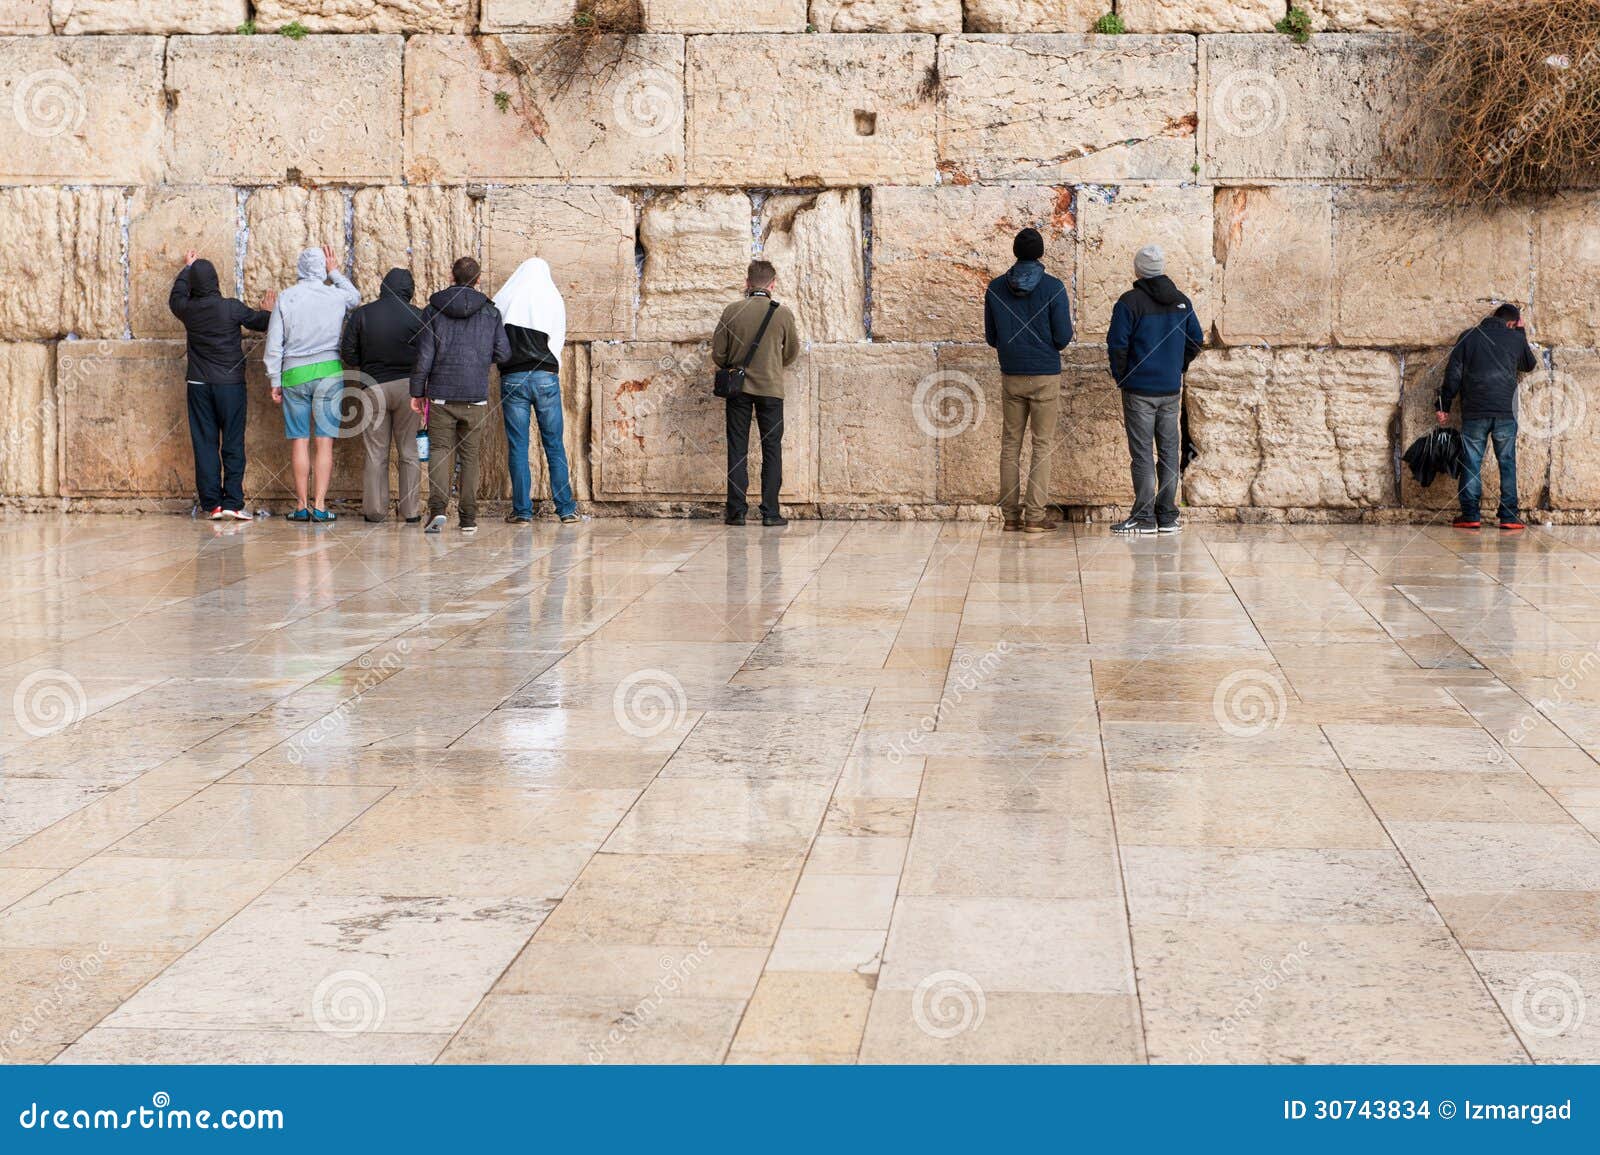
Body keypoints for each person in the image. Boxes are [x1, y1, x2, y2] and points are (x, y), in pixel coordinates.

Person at [1106, 244, 1204, 535]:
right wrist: (1178, 366)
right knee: (1169, 451)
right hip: (1170, 388)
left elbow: (1117, 345)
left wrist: (1123, 377)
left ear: (1138, 271)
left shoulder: (1129, 302)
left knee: (1143, 454)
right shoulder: (1182, 302)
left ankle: (1144, 517)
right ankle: (1167, 515)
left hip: (1139, 389)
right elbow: (1196, 340)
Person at [169, 252, 274, 521]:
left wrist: (187, 269)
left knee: (204, 443)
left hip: (198, 384)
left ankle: (212, 504)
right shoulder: (231, 307)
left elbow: (176, 296)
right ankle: (233, 502)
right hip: (230, 386)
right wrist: (268, 311)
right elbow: (261, 323)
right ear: (216, 281)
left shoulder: (187, 309)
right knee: (232, 442)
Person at [410, 256, 510, 535]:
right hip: (475, 396)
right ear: (478, 279)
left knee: (440, 452)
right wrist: (478, 358)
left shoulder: (433, 310)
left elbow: (424, 356)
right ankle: (468, 519)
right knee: (471, 456)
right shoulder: (491, 313)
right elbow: (504, 353)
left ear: (451, 276)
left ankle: (438, 511)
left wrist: (417, 392)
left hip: (441, 396)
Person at [984, 227, 1074, 533]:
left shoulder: (995, 288)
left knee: (1010, 443)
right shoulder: (1054, 287)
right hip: (1045, 373)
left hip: (1011, 372)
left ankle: (1010, 515)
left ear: (1014, 251)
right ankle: (1035, 515)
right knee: (1042, 444)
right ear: (1040, 253)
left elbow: (991, 337)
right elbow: (1063, 337)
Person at [265, 245, 360, 523]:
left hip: (293, 374)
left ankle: (301, 504)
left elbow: (274, 343)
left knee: (299, 440)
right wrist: (335, 272)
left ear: (299, 269)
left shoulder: (286, 297)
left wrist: (275, 378)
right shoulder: (335, 295)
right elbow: (355, 297)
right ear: (321, 269)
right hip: (329, 372)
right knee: (324, 442)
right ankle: (320, 506)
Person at [1436, 303, 1538, 531]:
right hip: (1505, 412)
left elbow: (1453, 374)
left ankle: (1471, 515)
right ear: (1512, 323)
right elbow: (1528, 365)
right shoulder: (1515, 338)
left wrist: (1443, 404)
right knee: (1507, 463)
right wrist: (1520, 333)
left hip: (1475, 411)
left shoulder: (1468, 337)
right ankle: (1509, 517)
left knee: (1472, 461)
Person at [712, 259, 799, 527]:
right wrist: (772, 365)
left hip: (738, 390)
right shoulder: (782, 313)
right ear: (772, 284)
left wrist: (734, 365)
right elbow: (791, 352)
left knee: (737, 448)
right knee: (771, 448)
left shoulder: (731, 311)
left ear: (747, 284)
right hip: (771, 390)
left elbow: (718, 354)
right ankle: (771, 512)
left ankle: (737, 511)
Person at [493, 258, 579, 525]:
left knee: (518, 446)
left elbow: (495, 340)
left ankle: (522, 511)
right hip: (545, 377)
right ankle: (565, 509)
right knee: (554, 444)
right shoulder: (551, 297)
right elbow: (557, 340)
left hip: (512, 378)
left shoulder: (504, 298)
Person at [341, 268, 425, 524]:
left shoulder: (362, 314)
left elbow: (348, 353)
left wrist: (366, 363)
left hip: (372, 386)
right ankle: (410, 511)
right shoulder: (420, 316)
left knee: (376, 453)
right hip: (409, 388)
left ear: (383, 287)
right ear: (409, 290)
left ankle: (375, 511)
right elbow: (429, 354)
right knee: (409, 452)